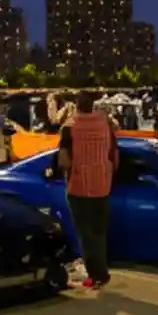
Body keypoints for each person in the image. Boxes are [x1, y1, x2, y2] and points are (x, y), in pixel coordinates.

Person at [58, 91, 118, 290]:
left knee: (85, 233)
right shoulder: (105, 125)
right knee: (99, 231)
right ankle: (101, 271)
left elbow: (64, 160)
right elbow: (114, 156)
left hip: (79, 186)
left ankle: (97, 275)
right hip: (102, 185)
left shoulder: (69, 127)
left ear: (76, 105)